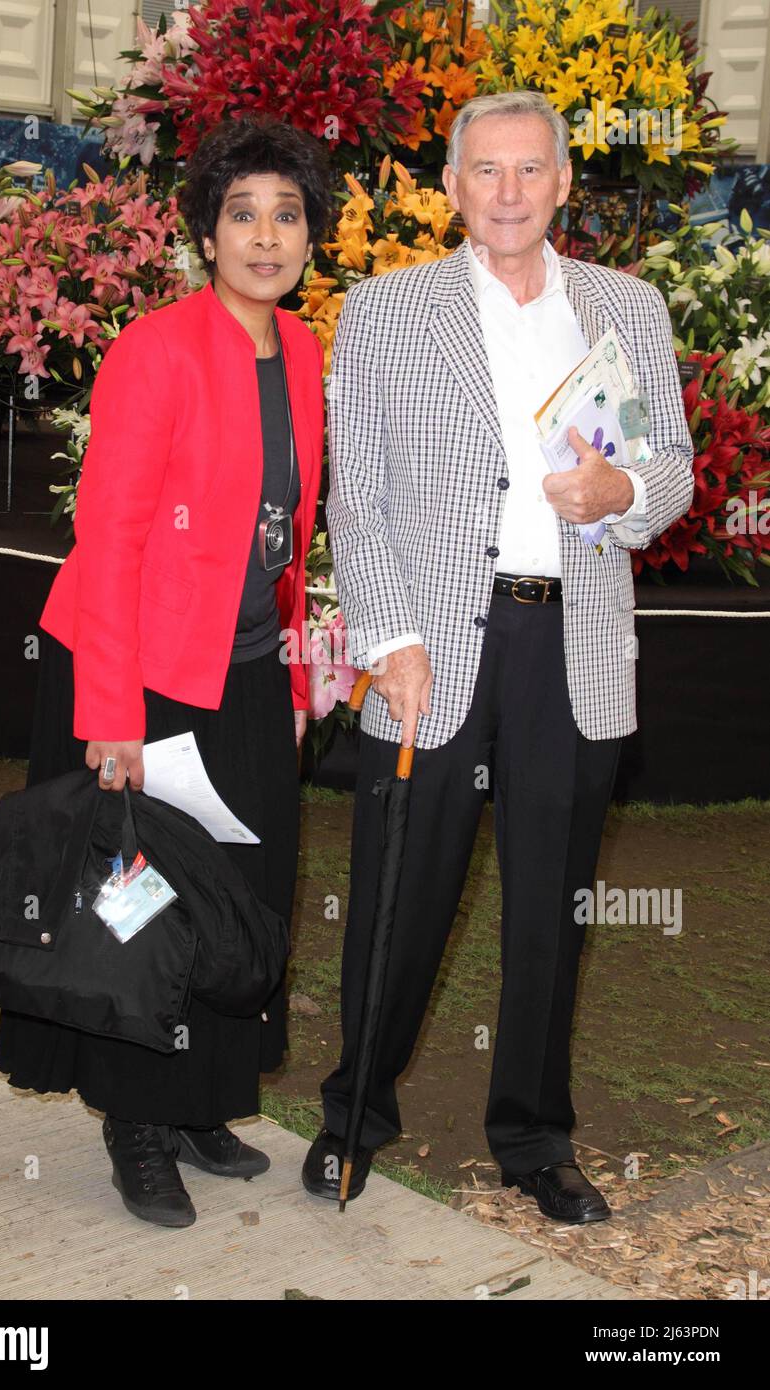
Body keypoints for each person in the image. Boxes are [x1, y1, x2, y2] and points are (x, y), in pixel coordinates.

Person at [302, 91, 694, 1222]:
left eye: (531, 171)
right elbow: (356, 497)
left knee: (550, 910)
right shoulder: (385, 310)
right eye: (487, 171)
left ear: (564, 184)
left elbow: (669, 466)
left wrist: (625, 490)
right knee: (396, 893)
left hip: (571, 640)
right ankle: (352, 1118)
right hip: (432, 643)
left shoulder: (629, 309)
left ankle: (533, 1135)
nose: (510, 193)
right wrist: (391, 638)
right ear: (453, 186)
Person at [0, 114, 333, 1228]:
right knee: (135, 906)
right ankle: (134, 1120)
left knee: (238, 897)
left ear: (309, 234)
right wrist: (112, 715)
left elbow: (287, 534)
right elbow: (114, 536)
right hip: (136, 674)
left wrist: (288, 678)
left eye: (286, 214)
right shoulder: (157, 347)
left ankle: (201, 1100)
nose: (266, 236)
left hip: (242, 674)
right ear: (206, 232)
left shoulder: (307, 350)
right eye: (243, 214)